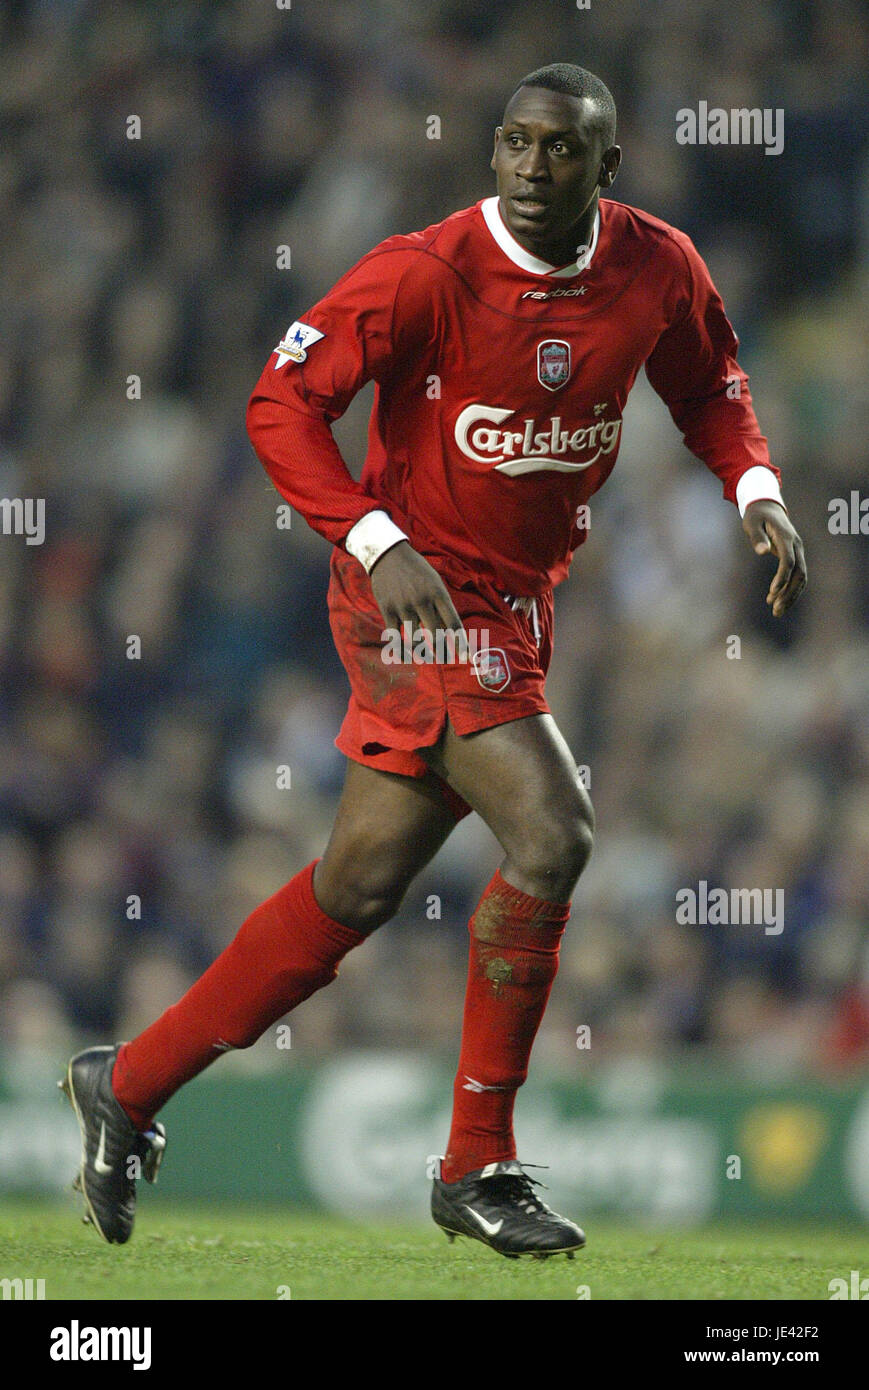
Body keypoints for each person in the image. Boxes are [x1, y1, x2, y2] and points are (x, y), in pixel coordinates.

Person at [61, 62, 806, 1260]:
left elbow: (710, 385)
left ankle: (130, 1084)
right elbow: (278, 402)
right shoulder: (424, 270)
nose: (524, 166)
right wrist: (372, 532)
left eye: (555, 150)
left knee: (355, 887)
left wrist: (758, 488)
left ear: (603, 169)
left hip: (514, 606)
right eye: (509, 143)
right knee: (554, 834)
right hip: (405, 591)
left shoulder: (657, 265)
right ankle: (476, 1162)